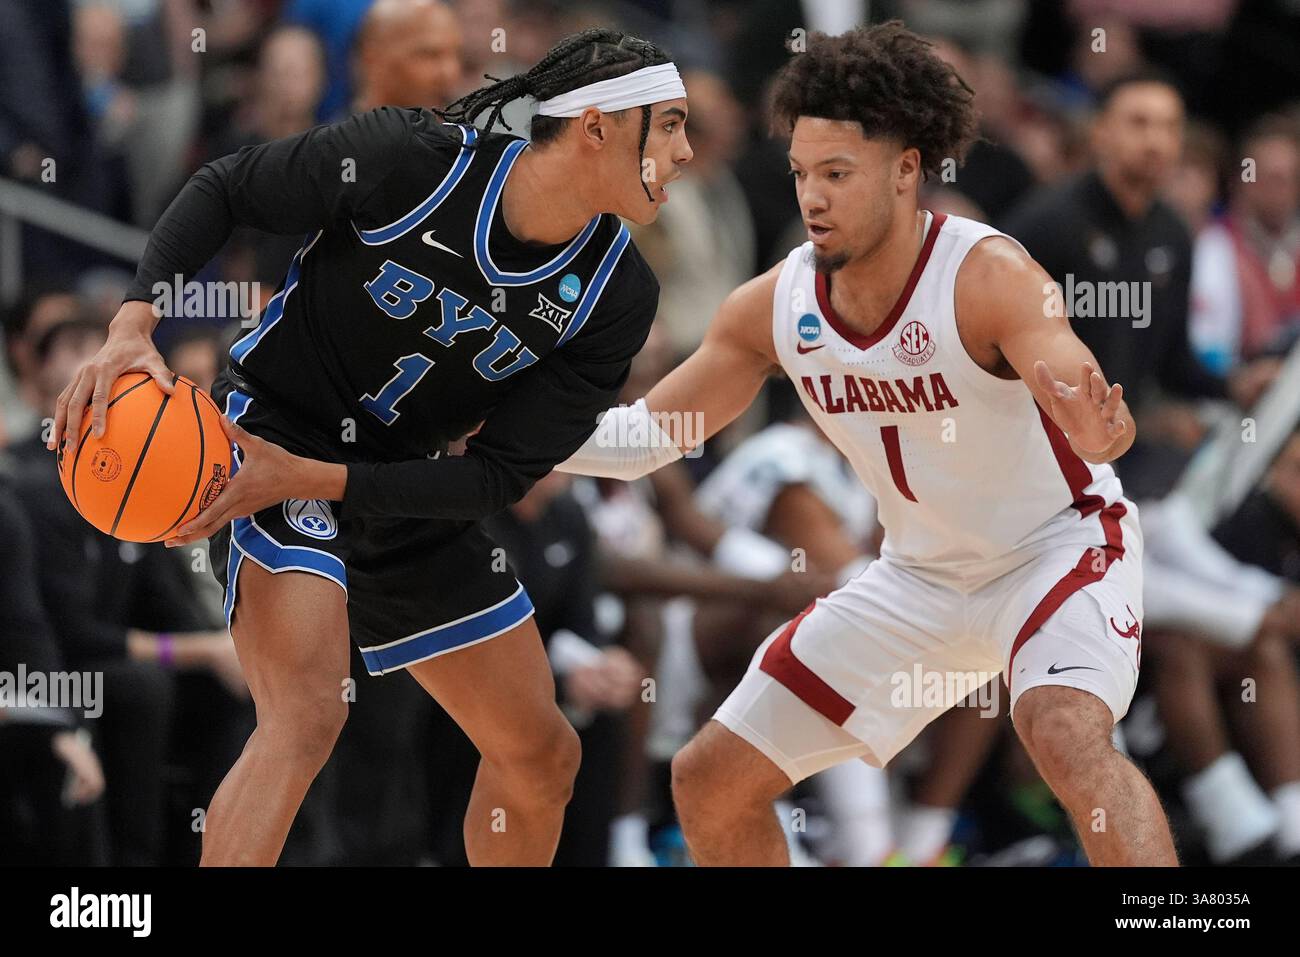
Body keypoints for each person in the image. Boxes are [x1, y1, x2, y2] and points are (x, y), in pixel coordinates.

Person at [48, 27, 692, 866]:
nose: (685, 151)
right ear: (599, 125)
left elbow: (498, 476)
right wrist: (133, 324)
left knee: (542, 754)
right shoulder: (412, 158)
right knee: (308, 712)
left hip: (398, 485)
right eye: (671, 123)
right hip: (266, 437)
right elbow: (226, 188)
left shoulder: (616, 297)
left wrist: (325, 475)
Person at [558, 22, 1177, 866]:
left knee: (1062, 730)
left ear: (906, 170)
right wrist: (514, 438)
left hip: (1055, 551)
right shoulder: (773, 307)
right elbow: (644, 440)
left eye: (838, 175)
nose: (812, 197)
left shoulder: (985, 274)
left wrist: (1102, 423)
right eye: (803, 174)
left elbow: (1074, 378)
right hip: (917, 577)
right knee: (710, 778)